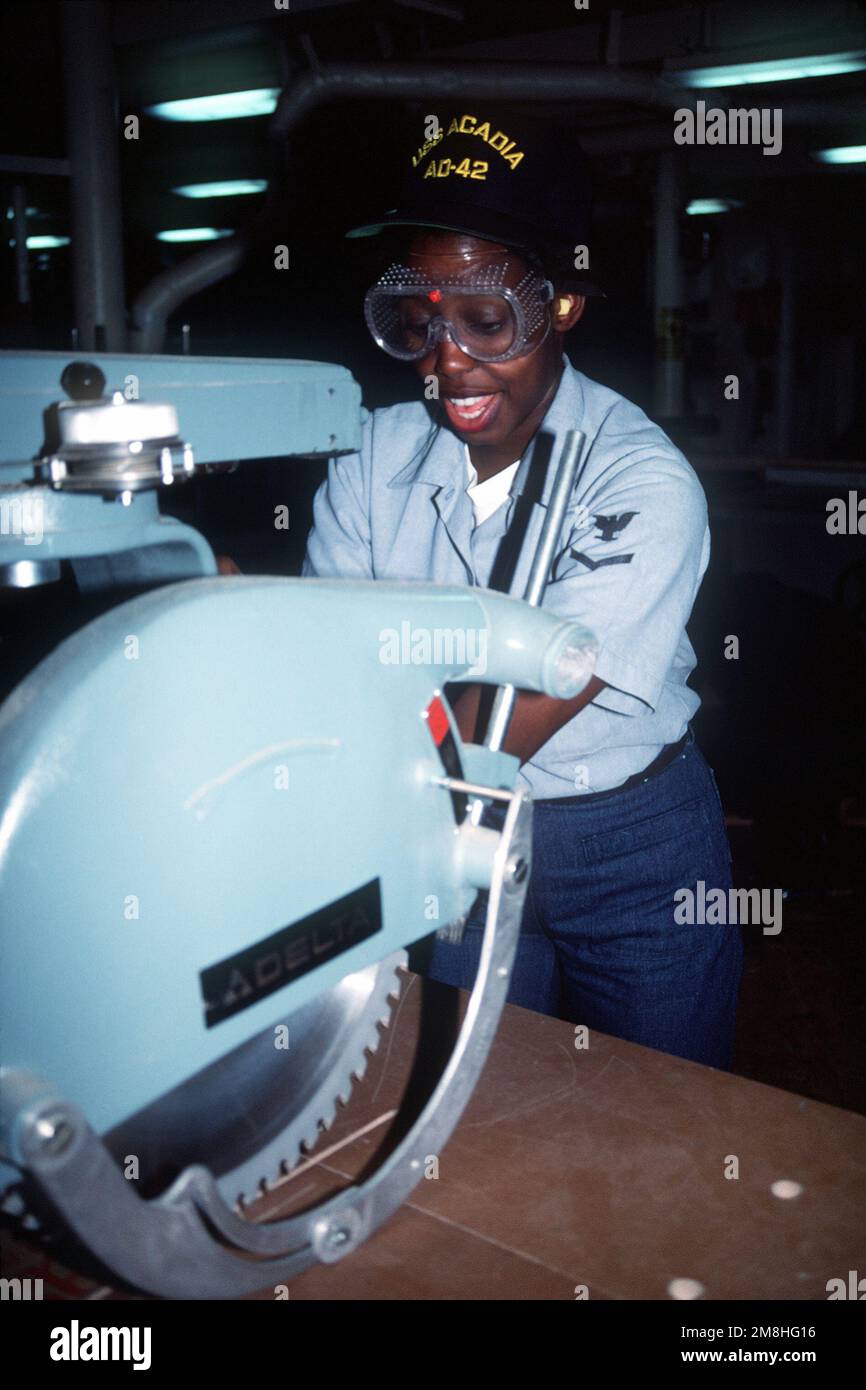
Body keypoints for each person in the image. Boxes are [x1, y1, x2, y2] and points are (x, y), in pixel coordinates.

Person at [302, 110, 743, 1069]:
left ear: (564, 306)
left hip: (627, 847)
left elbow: (499, 725)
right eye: (419, 324)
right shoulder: (372, 456)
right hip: (451, 841)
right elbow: (327, 662)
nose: (447, 360)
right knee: (486, 1113)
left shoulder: (641, 483)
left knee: (663, 1118)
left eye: (486, 321)